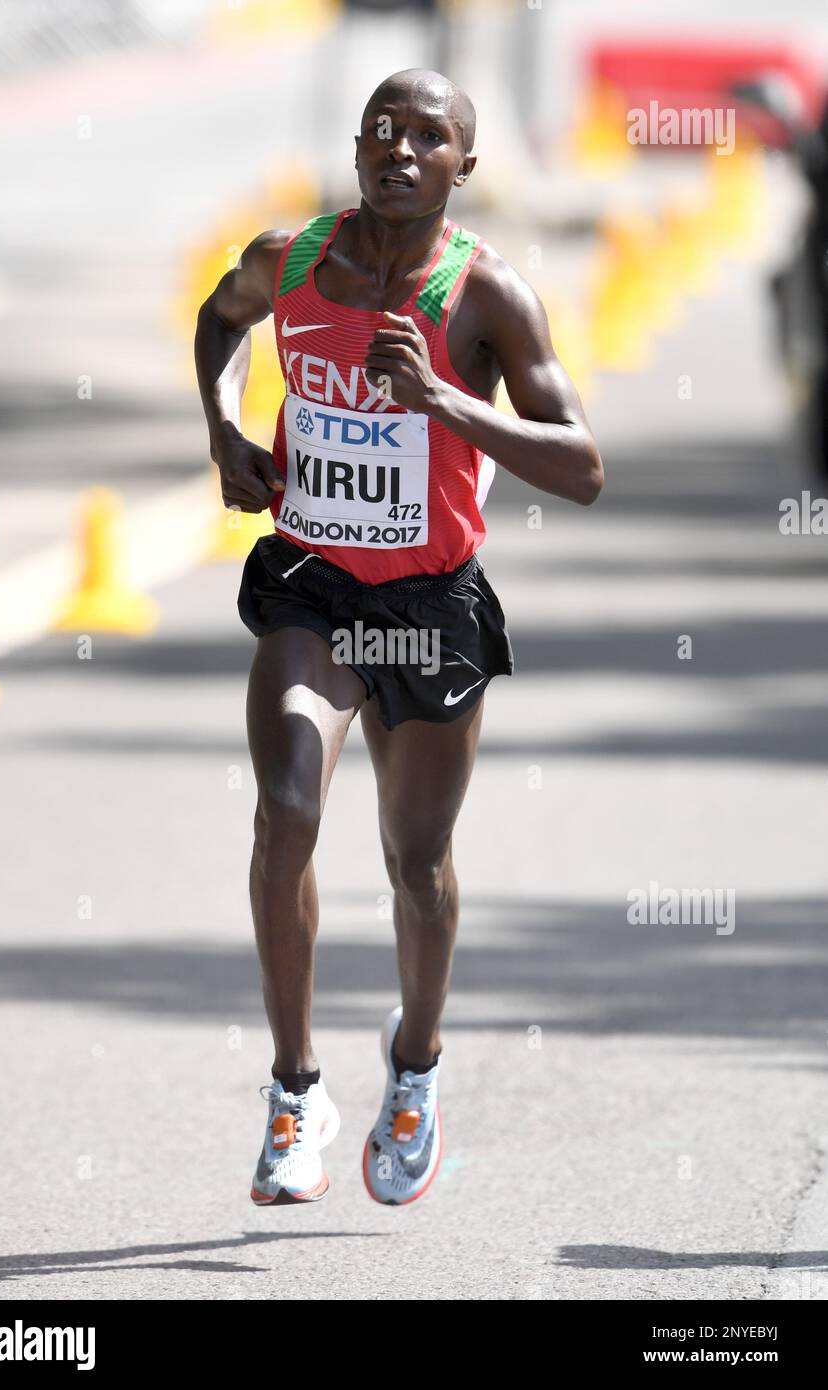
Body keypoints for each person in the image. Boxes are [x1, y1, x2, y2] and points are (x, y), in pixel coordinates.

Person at [195, 68, 603, 1207]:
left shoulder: (487, 297)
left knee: (414, 866)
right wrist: (225, 430)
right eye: (384, 127)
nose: (401, 147)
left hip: (431, 610)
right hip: (310, 585)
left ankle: (414, 1065)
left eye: (430, 136)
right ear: (359, 143)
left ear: (461, 168)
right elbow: (219, 321)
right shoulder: (293, 256)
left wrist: (447, 404)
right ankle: (293, 1092)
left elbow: (580, 465)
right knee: (284, 810)